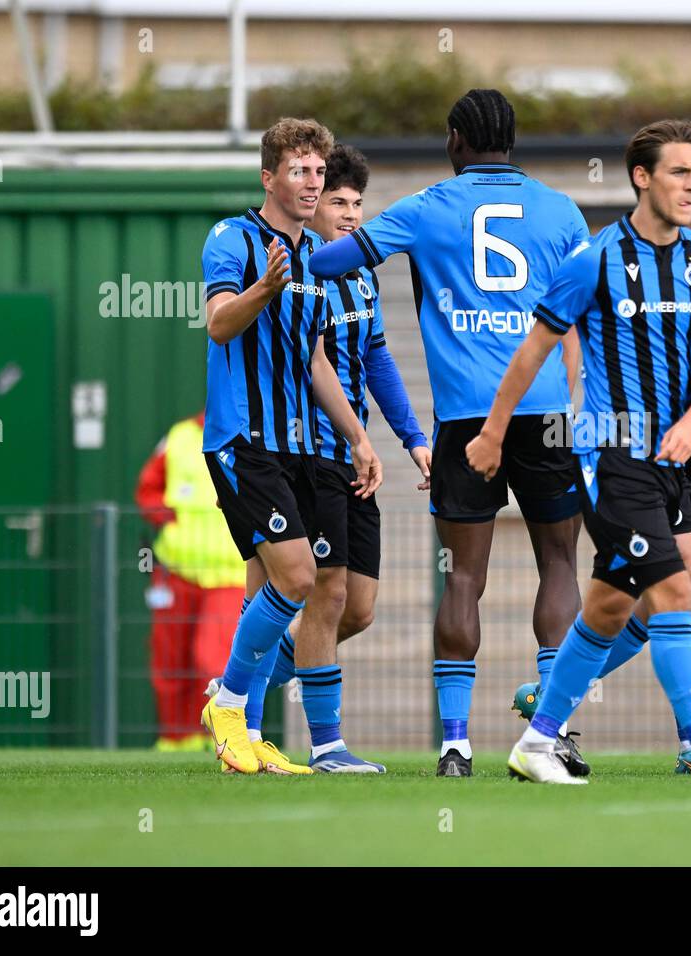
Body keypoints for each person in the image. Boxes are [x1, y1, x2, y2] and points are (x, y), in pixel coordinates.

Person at [466, 118, 691, 785]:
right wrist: (494, 431)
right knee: (674, 589)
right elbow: (534, 349)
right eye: (680, 174)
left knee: (609, 606)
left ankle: (538, 739)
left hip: (674, 458)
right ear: (642, 177)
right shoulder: (597, 259)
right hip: (610, 455)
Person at [310, 90, 588, 777]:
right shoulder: (561, 209)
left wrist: (281, 249)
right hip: (546, 409)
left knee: (464, 576)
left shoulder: (427, 207)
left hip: (467, 418)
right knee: (559, 564)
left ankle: (455, 744)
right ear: (514, 141)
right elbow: (587, 304)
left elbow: (333, 262)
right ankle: (550, 733)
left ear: (456, 141)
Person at [217, 143, 432, 773]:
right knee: (318, 592)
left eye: (356, 202)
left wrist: (409, 437)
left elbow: (376, 361)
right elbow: (293, 358)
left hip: (348, 450)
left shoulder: (355, 273)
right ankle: (312, 739)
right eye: (336, 200)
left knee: (356, 607)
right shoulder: (289, 264)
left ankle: (236, 687)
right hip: (301, 452)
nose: (348, 213)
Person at [198, 117, 381, 775]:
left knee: (274, 593)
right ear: (269, 176)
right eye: (299, 170)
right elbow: (219, 325)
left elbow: (315, 362)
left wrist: (359, 436)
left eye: (317, 171)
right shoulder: (234, 238)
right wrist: (261, 290)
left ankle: (243, 733)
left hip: (297, 445)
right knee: (301, 578)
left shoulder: (318, 260)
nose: (311, 182)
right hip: (240, 440)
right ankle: (229, 702)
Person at [136, 411, 244, 752]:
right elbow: (148, 490)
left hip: (230, 574)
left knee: (210, 658)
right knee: (169, 660)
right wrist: (169, 518)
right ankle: (175, 739)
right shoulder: (179, 436)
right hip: (176, 571)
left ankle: (215, 738)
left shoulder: (252, 433)